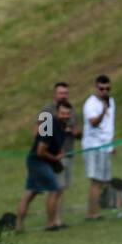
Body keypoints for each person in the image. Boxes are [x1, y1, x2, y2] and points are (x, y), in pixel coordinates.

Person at [16, 99, 71, 232]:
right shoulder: (49, 124)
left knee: (31, 192)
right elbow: (41, 151)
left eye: (67, 114)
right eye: (62, 113)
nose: (65, 116)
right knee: (55, 189)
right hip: (37, 161)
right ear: (57, 112)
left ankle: (18, 226)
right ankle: (51, 224)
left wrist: (58, 154)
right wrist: (56, 158)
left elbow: (54, 146)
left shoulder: (62, 126)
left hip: (43, 161)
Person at [41, 82, 82, 227]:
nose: (64, 96)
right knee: (55, 188)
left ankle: (58, 219)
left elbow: (78, 132)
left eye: (66, 93)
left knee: (62, 188)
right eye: (61, 93)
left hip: (69, 152)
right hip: (54, 155)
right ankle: (52, 222)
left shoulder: (71, 109)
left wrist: (75, 132)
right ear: (55, 94)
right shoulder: (47, 110)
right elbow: (41, 134)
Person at [82, 75, 115, 221]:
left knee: (102, 181)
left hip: (105, 146)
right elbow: (93, 122)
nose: (105, 91)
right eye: (101, 89)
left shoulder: (111, 101)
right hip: (93, 146)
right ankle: (91, 213)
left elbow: (109, 125)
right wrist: (102, 111)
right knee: (95, 181)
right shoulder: (91, 103)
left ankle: (97, 209)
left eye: (107, 89)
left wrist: (111, 145)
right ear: (96, 88)